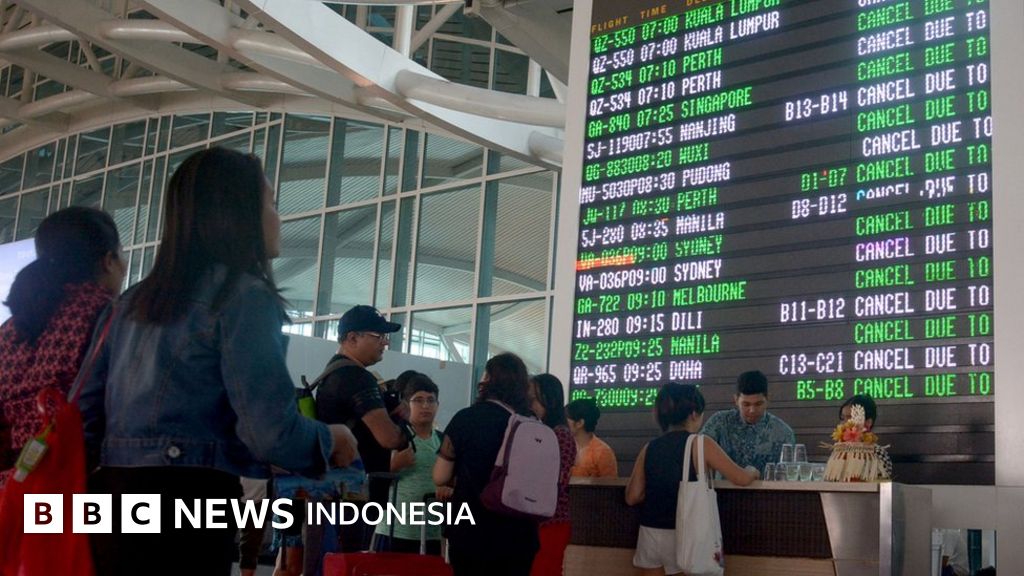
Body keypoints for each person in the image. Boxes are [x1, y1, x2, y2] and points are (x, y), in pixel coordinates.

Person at [77, 147, 358, 576]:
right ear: (237, 214)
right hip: (188, 508)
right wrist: (331, 438)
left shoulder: (129, 303)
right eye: (271, 204)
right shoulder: (243, 297)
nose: (279, 218)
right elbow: (269, 432)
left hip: (108, 504)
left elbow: (83, 415)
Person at [0, 207, 125, 489]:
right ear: (108, 261)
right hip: (77, 483)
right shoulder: (109, 319)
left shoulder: (12, 328)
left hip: (14, 487)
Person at [625, 382, 758, 576]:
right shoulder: (700, 444)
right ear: (694, 413)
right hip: (685, 535)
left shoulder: (649, 447)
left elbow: (632, 496)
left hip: (650, 533)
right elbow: (741, 478)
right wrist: (753, 471)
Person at [433, 352, 540, 576]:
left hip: (472, 531)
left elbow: (440, 476)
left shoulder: (466, 418)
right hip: (520, 534)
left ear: (488, 380)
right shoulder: (532, 423)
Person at [315, 304, 411, 551]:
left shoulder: (332, 373)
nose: (385, 343)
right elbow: (389, 439)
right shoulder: (357, 378)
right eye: (378, 336)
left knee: (329, 560)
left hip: (334, 488)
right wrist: (404, 426)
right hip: (355, 494)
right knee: (353, 560)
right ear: (352, 338)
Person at [373, 372, 449, 554]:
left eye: (431, 400)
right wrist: (394, 464)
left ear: (438, 405)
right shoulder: (394, 437)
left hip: (431, 534)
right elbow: (371, 476)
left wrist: (448, 486)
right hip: (394, 531)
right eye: (418, 400)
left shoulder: (444, 441)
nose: (426, 406)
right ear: (406, 404)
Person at [700, 369, 795, 473]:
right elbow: (698, 451)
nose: (752, 410)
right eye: (746, 404)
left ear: (768, 399)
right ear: (736, 400)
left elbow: (790, 474)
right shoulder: (720, 423)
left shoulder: (782, 433)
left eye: (758, 404)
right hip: (722, 484)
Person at [528, 373, 576, 576]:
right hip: (545, 520)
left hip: (551, 521)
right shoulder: (547, 432)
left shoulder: (559, 435)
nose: (530, 404)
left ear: (550, 399)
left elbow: (552, 480)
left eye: (534, 399)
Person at [566, 398, 618, 478]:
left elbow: (610, 484)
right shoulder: (565, 447)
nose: (564, 423)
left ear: (580, 423)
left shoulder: (603, 452)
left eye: (566, 420)